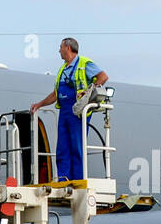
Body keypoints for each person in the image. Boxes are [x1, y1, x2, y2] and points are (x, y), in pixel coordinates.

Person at [31, 38, 109, 181]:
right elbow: (55, 94)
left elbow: (103, 77)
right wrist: (40, 104)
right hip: (65, 112)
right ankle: (63, 178)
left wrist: (89, 91)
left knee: (76, 147)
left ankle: (77, 179)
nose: (59, 50)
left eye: (60, 47)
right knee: (62, 148)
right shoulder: (63, 68)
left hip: (78, 113)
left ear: (67, 48)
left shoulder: (84, 63)